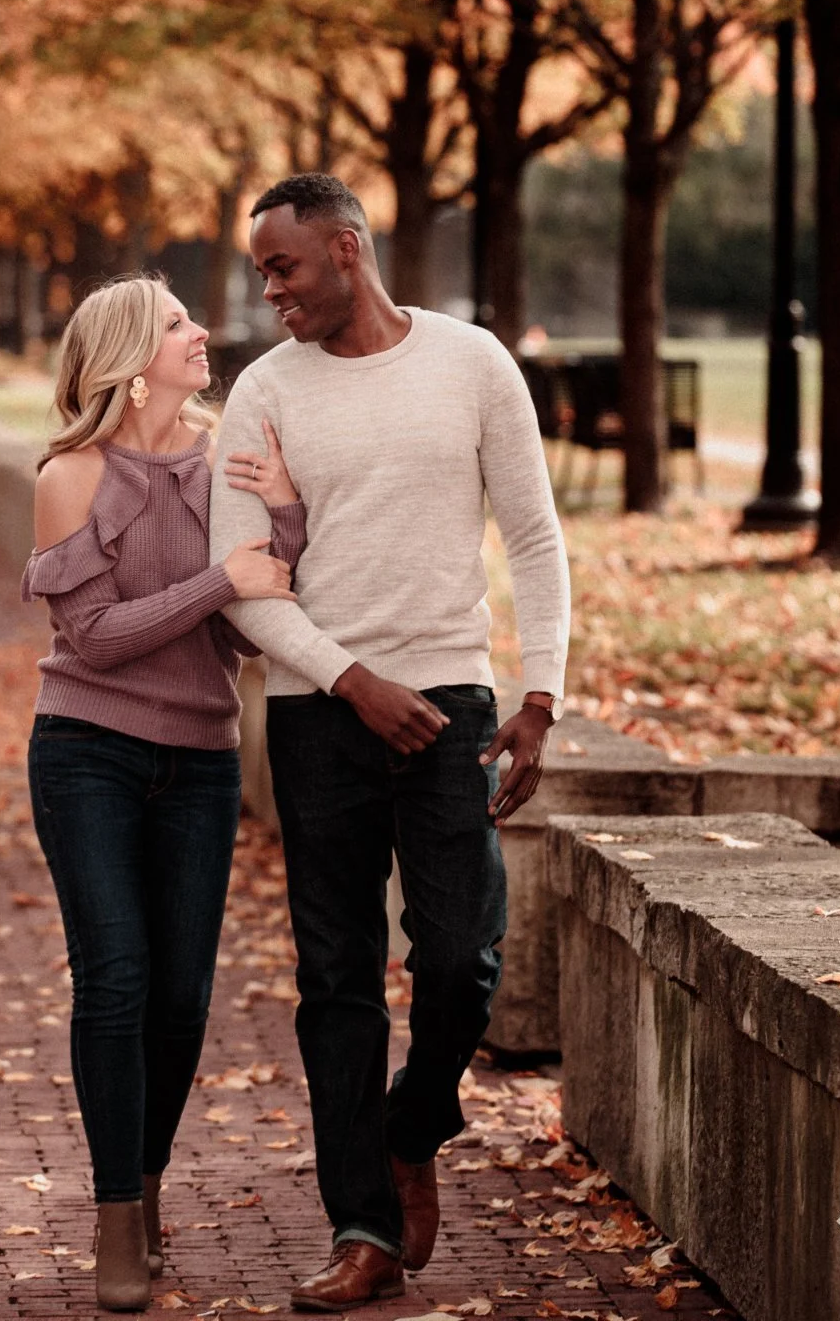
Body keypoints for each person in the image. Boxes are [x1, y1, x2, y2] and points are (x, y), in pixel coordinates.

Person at [211, 174, 571, 1311]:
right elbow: (242, 587)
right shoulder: (262, 393)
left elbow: (534, 538)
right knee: (336, 979)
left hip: (454, 705)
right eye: (262, 272)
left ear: (348, 250)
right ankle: (361, 1228)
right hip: (322, 716)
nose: (268, 291)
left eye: (284, 267)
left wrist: (540, 698)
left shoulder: (470, 364)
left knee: (462, 958)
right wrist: (350, 680)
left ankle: (411, 1125)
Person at [23, 275, 305, 1312]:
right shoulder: (70, 474)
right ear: (134, 356)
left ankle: (145, 1191)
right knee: (118, 978)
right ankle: (111, 1223)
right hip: (85, 753)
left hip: (200, 760)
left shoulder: (223, 454)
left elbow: (261, 602)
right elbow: (92, 638)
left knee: (184, 992)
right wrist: (220, 581)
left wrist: (279, 509)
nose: (201, 335)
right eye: (181, 323)